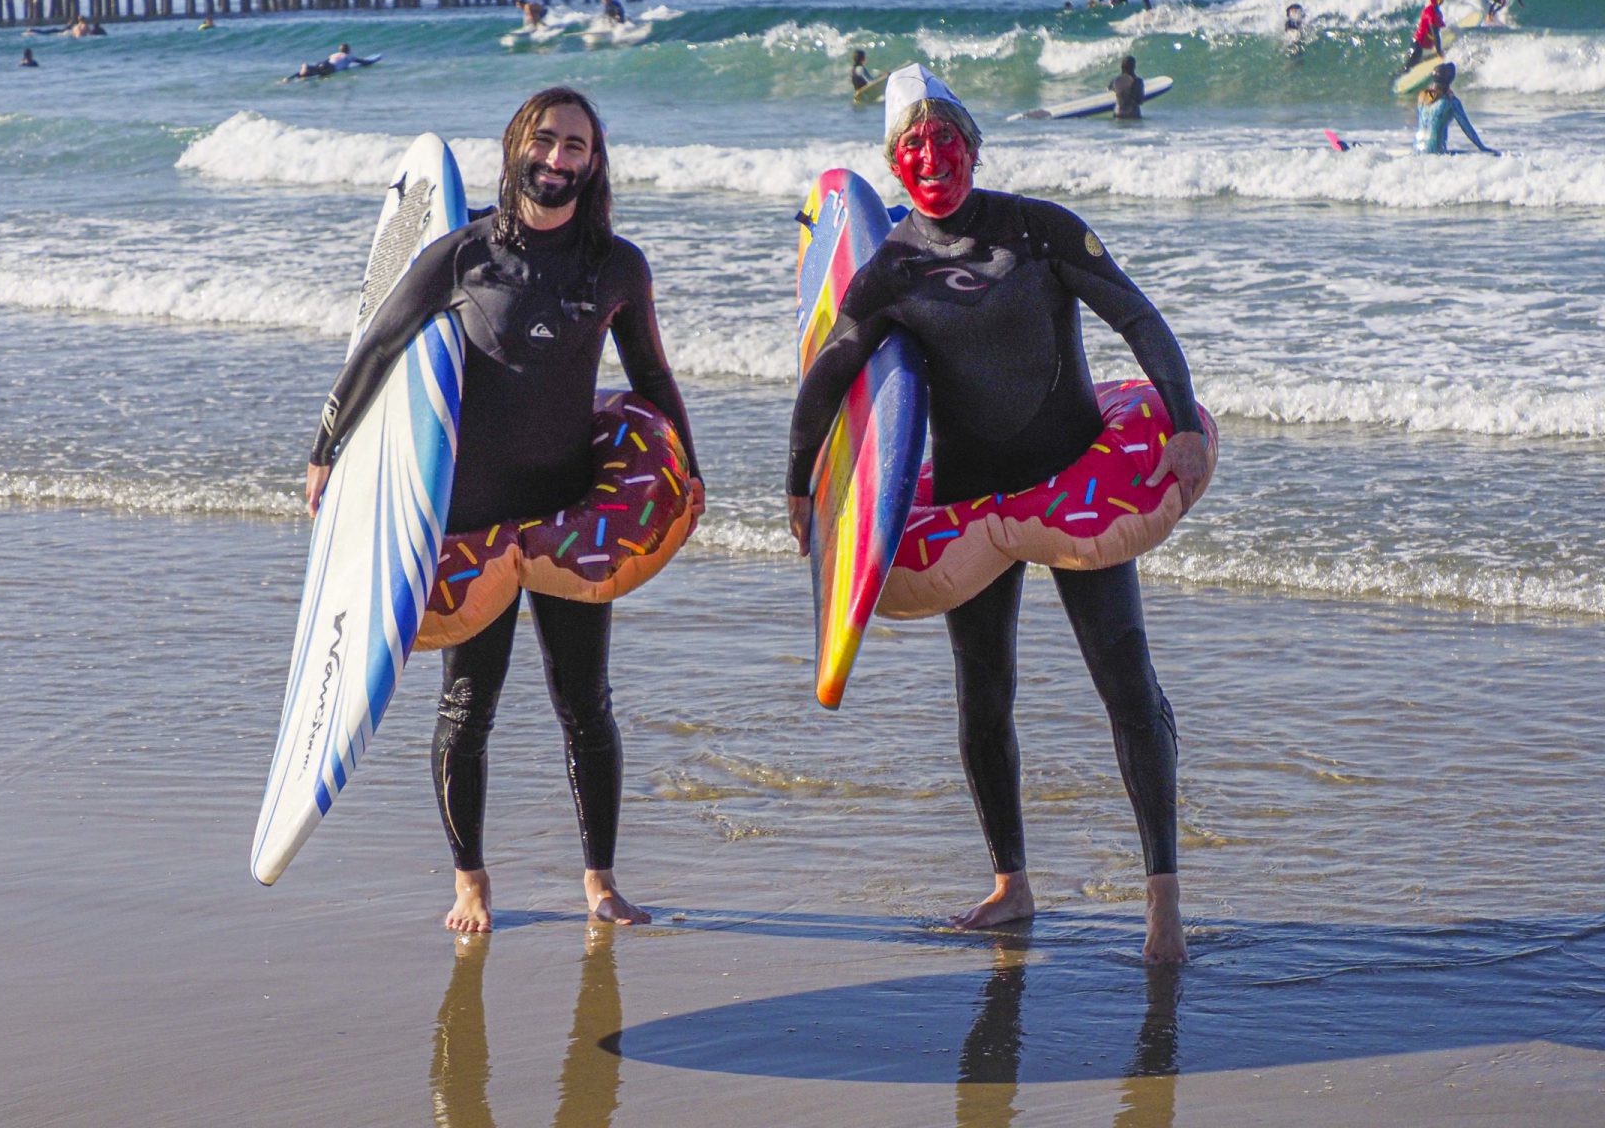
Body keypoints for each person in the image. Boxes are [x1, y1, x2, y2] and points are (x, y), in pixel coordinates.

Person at [786, 64, 1207, 963]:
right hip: (970, 502)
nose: (931, 157)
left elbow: (1136, 317)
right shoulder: (893, 269)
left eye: (945, 139)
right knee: (983, 698)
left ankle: (1163, 900)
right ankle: (1011, 885)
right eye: (912, 146)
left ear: (972, 146)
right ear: (894, 164)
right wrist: (799, 488)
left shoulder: (1037, 229)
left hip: (1077, 482)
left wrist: (1180, 420)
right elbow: (830, 372)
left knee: (1126, 685)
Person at [303, 86, 704, 935]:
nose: (558, 159)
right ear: (517, 145)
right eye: (546, 141)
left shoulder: (616, 265)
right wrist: (326, 450)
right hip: (472, 523)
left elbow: (652, 378)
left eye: (576, 147)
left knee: (585, 702)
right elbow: (378, 346)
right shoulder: (462, 257)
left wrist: (689, 473)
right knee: (466, 707)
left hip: (569, 520)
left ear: (594, 164)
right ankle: (471, 883)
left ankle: (600, 882)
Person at [1415, 63, 1497, 155]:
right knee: (1488, 155)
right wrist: (1482, 148)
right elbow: (1467, 128)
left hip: (1417, 151)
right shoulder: (1451, 102)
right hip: (1436, 153)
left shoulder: (1423, 97)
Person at [1406, 0, 1447, 68]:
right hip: (1417, 45)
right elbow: (1435, 33)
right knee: (1407, 68)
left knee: (1411, 65)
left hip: (1418, 44)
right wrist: (1439, 52)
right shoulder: (1432, 12)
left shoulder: (1434, 10)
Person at [1110, 54, 1145, 119]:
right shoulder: (1138, 81)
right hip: (1132, 115)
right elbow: (1140, 101)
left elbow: (1108, 92)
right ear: (1134, 67)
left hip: (1118, 114)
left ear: (1122, 67)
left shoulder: (1115, 80)